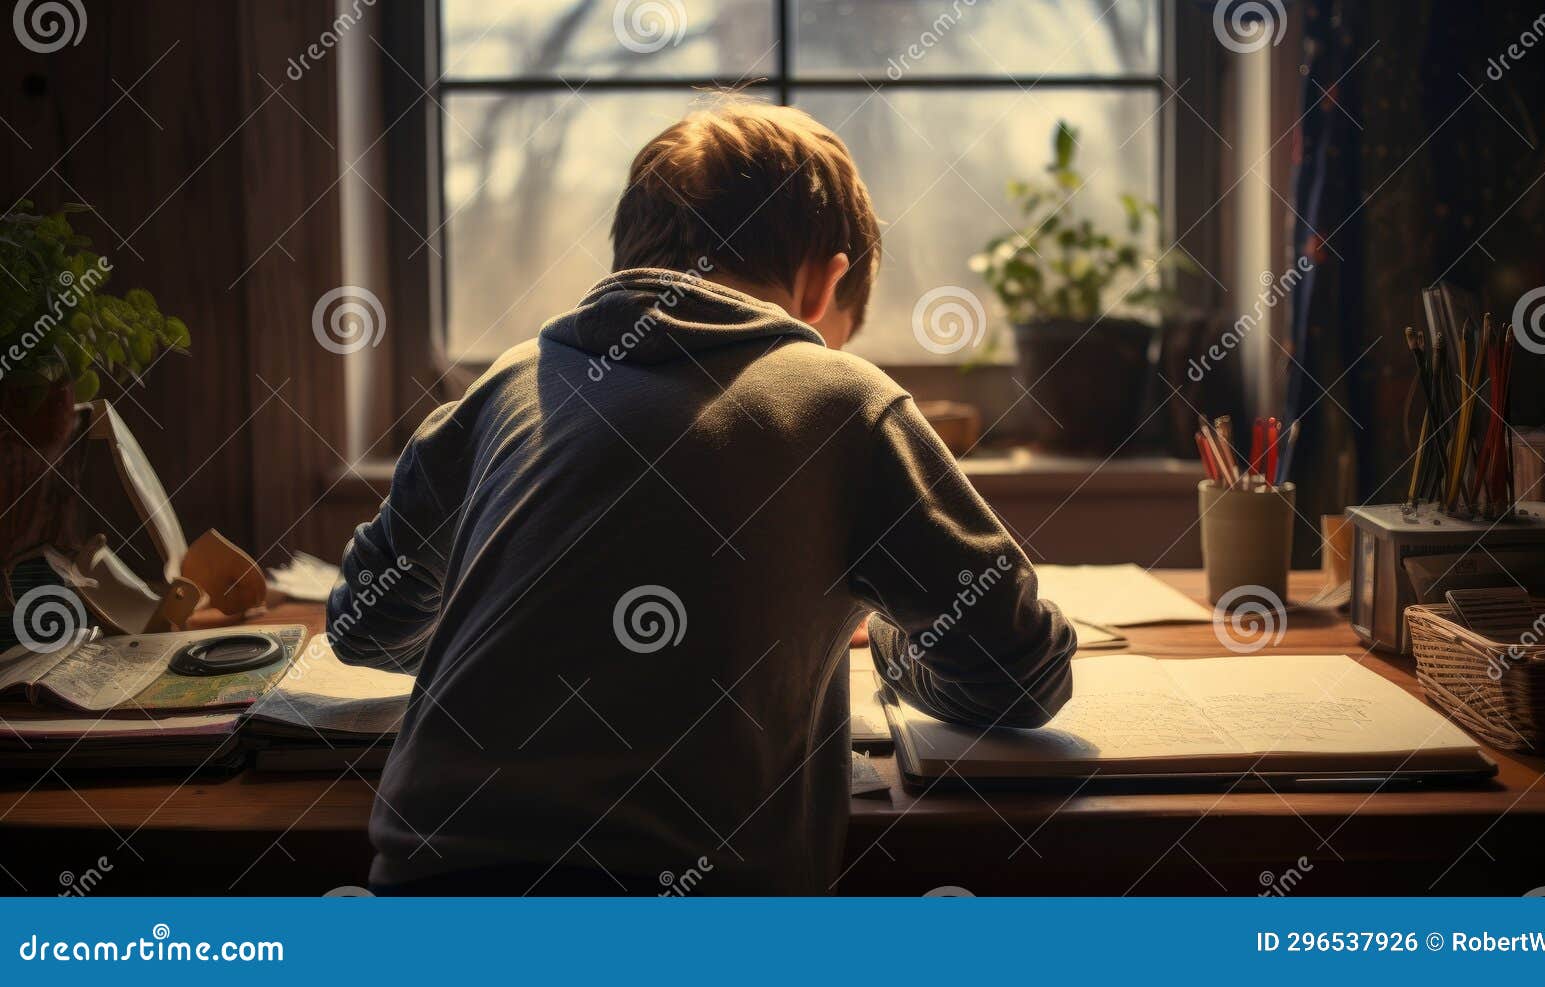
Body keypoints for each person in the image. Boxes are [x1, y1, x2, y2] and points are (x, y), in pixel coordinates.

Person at [327, 98, 1075, 896]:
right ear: (825, 286)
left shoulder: (503, 385)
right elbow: (1019, 676)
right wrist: (892, 640)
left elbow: (362, 623)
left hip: (433, 904)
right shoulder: (846, 402)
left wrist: (513, 621)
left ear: (625, 255)